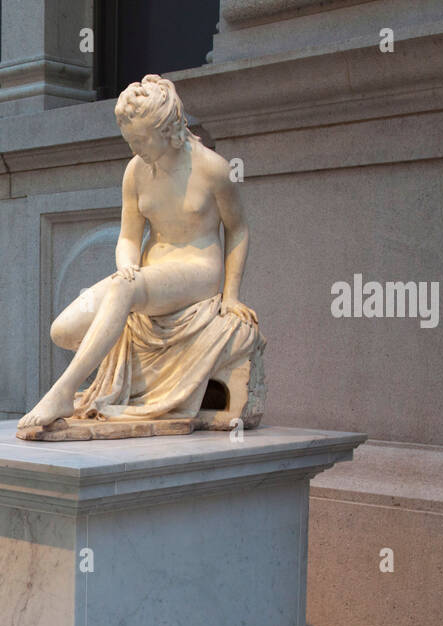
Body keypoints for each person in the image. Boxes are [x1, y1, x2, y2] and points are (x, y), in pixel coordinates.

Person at [18, 74, 261, 430]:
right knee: (63, 331)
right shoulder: (136, 171)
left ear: (167, 130)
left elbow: (238, 228)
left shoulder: (212, 169)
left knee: (123, 290)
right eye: (129, 140)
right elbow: (129, 236)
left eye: (141, 140)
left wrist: (231, 295)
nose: (135, 149)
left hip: (197, 270)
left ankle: (63, 391)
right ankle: (111, 374)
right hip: (146, 277)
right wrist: (126, 264)